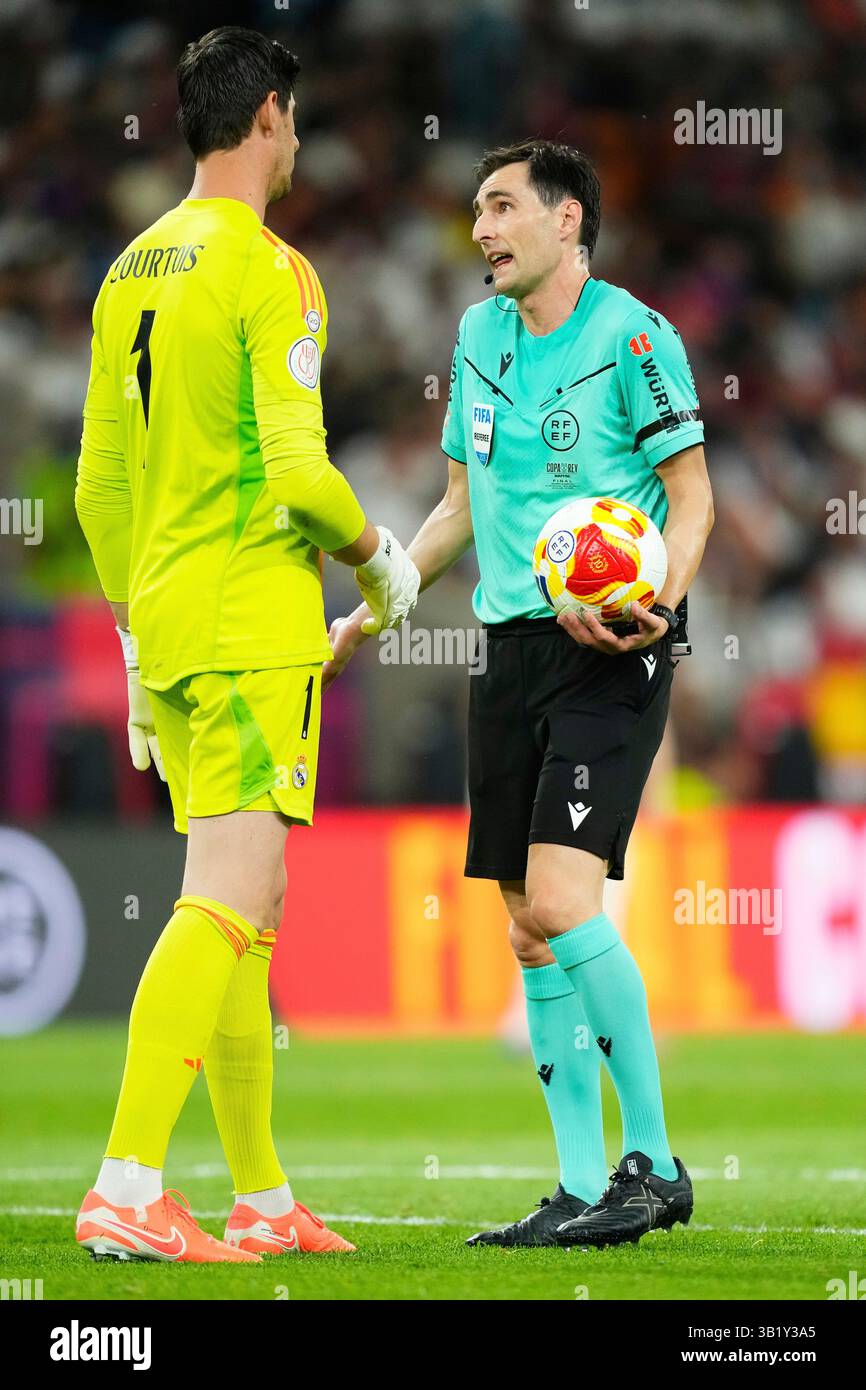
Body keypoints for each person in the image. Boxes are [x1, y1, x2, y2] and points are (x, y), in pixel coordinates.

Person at [326, 140, 714, 1249]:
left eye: (501, 207)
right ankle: (582, 1182)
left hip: (611, 642)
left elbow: (690, 501)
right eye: (475, 210)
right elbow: (456, 503)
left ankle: (650, 1160)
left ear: (566, 221)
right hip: (506, 649)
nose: (481, 229)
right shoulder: (475, 337)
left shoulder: (634, 337)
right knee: (525, 932)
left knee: (558, 900)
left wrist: (656, 602)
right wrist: (375, 604)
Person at [73, 26, 418, 1264]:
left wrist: (127, 636)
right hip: (250, 616)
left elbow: (100, 488)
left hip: (166, 620)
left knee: (250, 896)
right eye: (296, 118)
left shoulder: (127, 270)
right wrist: (380, 553)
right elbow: (297, 470)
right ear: (271, 116)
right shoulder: (273, 270)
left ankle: (260, 1194)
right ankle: (125, 1180)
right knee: (224, 896)